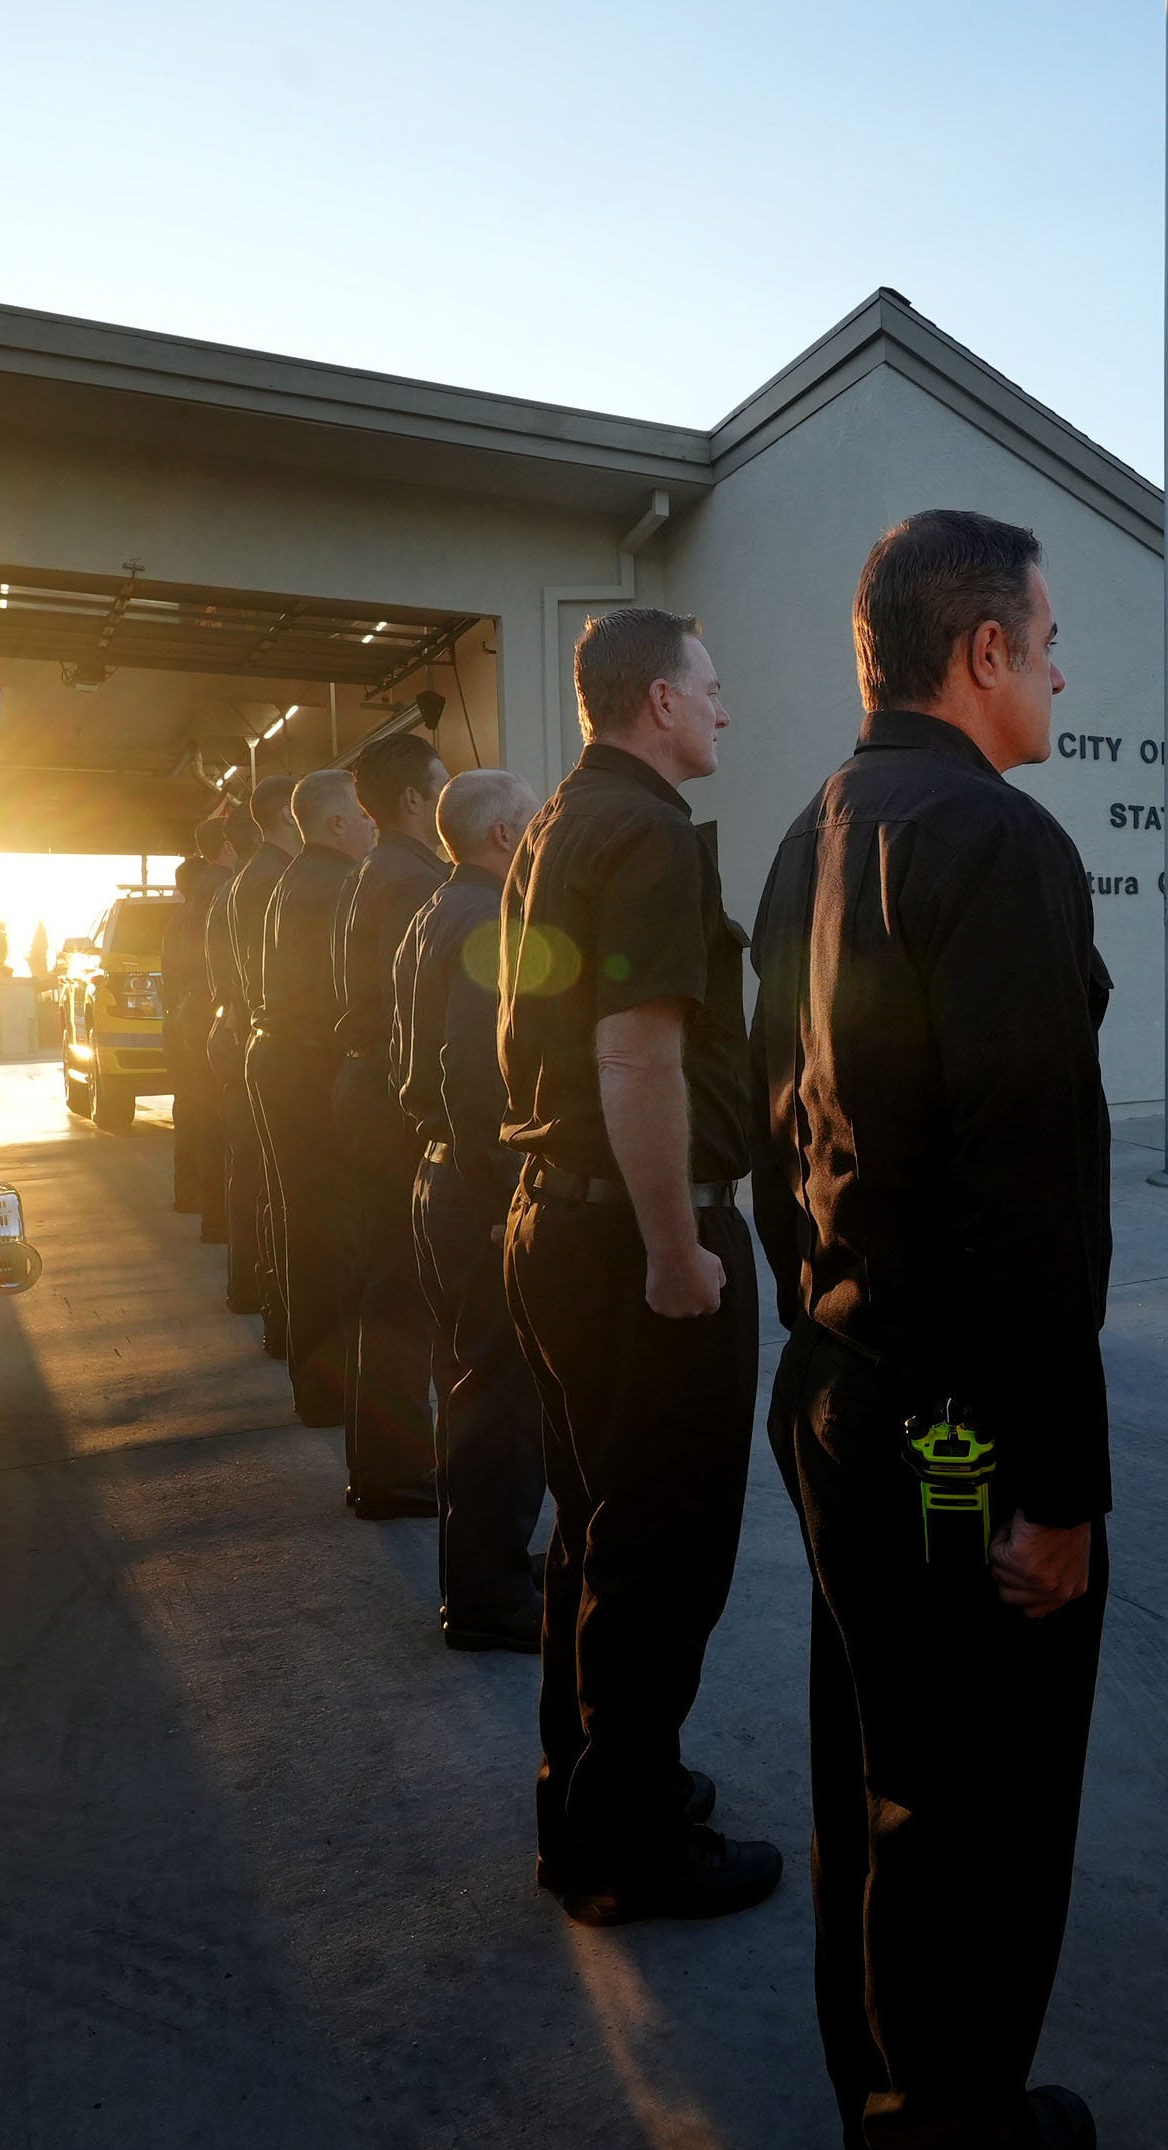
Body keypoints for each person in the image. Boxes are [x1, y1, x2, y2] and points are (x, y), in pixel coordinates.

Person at [752, 509, 1109, 2150]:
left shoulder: (807, 831)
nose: (1057, 666)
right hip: (954, 1429)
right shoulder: (996, 843)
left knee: (876, 1774)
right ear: (979, 651)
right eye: (1044, 639)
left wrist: (815, 1330)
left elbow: (772, 1130)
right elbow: (1029, 1195)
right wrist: (1051, 1484)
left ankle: (894, 2107)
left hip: (836, 1388)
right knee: (976, 1796)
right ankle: (953, 2132)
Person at [500, 604, 777, 1926]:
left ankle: (599, 1796)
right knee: (662, 1551)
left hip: (554, 1224)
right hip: (632, 1241)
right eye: (712, 688)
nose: (726, 709)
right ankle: (626, 1844)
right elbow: (635, 1056)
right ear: (658, 699)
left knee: (597, 1537)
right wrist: (678, 1249)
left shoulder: (559, 821)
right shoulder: (651, 832)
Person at [398, 766, 548, 1652]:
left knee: (470, 1386)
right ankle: (489, 1598)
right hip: (479, 1189)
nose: (539, 831)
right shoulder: (488, 922)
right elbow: (474, 1072)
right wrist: (507, 1197)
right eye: (531, 819)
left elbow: (411, 1062)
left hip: (440, 1174)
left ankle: (482, 1570)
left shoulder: (433, 912)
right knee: (502, 1399)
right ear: (503, 837)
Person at [332, 730, 452, 1519]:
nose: (450, 793)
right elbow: (424, 1014)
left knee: (387, 1284)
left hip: (364, 1088)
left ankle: (386, 1466)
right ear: (413, 800)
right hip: (393, 1097)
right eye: (442, 782)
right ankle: (397, 1474)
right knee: (406, 1289)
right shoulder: (414, 882)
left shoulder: (378, 870)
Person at [255, 768, 374, 1431]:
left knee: (306, 1229)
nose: (370, 825)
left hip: (283, 1060)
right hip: (309, 1067)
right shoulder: (338, 885)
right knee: (333, 1235)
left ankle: (318, 1387)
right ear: (335, 823)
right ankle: (331, 1389)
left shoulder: (293, 877)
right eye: (362, 816)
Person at [217, 779, 296, 1340]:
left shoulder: (249, 878)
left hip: (241, 1038)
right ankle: (268, 1298)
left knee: (252, 1173)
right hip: (263, 1041)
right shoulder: (275, 880)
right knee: (271, 1181)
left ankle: (249, 1287)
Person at [164, 813, 236, 1239]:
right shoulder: (221, 892)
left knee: (196, 1112)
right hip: (210, 1013)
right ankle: (219, 1215)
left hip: (187, 1015)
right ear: (228, 845)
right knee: (218, 1119)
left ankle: (195, 1198)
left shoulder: (188, 905)